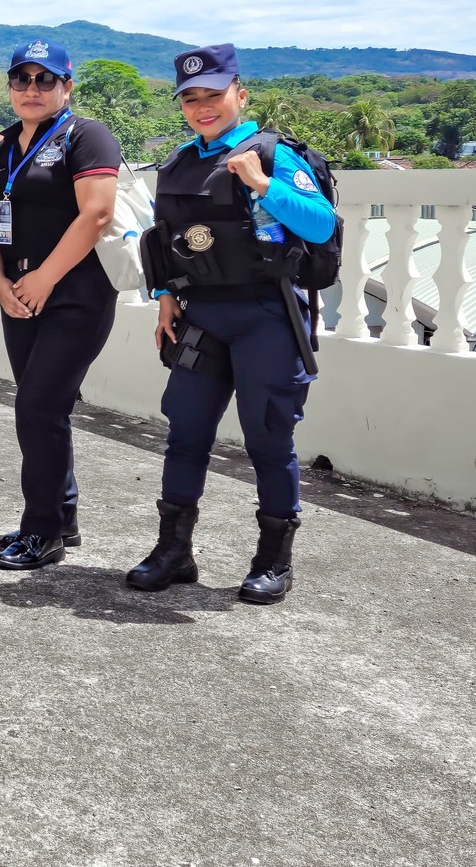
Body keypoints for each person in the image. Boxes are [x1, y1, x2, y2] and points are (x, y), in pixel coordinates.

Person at [134, 44, 337, 605]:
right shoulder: (179, 161)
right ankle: (173, 553)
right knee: (185, 433)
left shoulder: (271, 154)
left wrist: (264, 184)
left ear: (240, 95)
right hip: (201, 314)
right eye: (190, 99)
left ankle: (273, 562)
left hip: (265, 315)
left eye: (214, 95)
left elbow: (321, 225)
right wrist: (164, 296)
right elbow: (166, 241)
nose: (202, 107)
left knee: (268, 438)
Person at [0, 41, 121, 570]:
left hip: (75, 294)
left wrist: (44, 279)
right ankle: (63, 514)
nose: (32, 89)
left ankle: (43, 530)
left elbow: (97, 214)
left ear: (67, 86)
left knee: (37, 407)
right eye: (22, 79)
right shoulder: (4, 150)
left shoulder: (87, 136)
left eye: (46, 79)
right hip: (19, 294)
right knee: (43, 409)